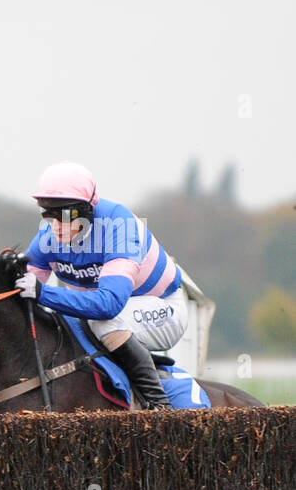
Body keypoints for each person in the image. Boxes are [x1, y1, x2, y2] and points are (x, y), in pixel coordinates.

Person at [14, 161, 187, 409]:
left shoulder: (120, 226)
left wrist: (42, 293)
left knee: (105, 322)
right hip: (102, 318)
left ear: (87, 210)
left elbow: (108, 305)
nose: (55, 225)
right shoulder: (48, 237)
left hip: (162, 311)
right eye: (48, 214)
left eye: (65, 216)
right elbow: (21, 289)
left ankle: (160, 408)